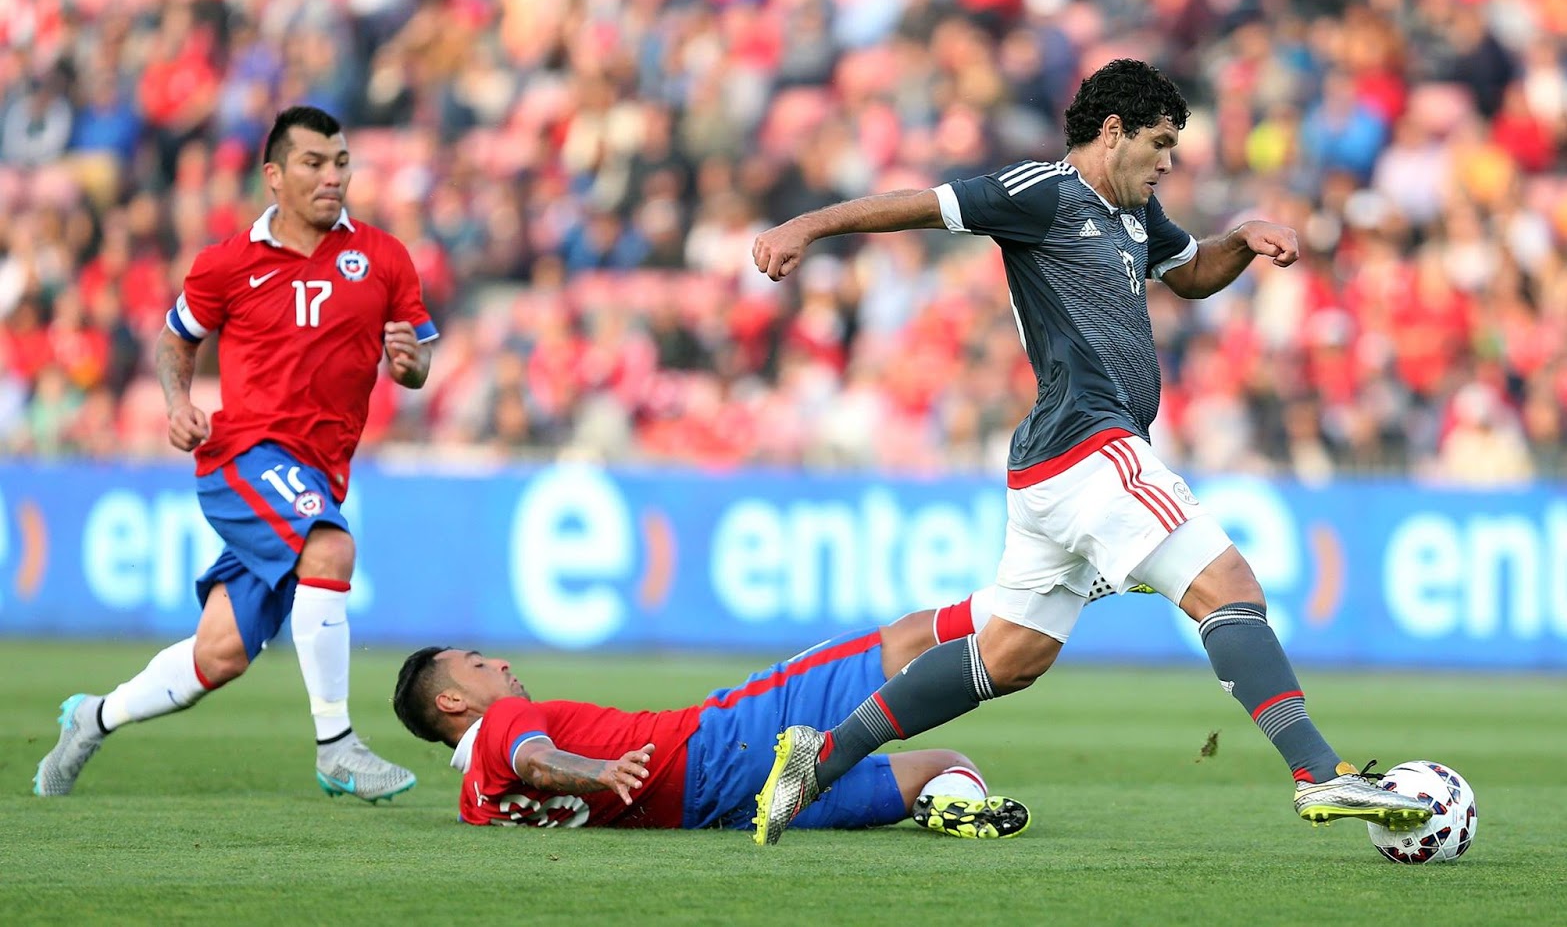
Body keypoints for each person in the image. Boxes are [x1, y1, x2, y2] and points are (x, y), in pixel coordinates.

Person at [746, 59, 1433, 846]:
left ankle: (822, 756)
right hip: (1090, 445)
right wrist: (805, 226)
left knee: (1010, 654)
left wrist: (1242, 240)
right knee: (1230, 586)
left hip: (1054, 467)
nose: (1168, 161)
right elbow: (920, 205)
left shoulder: (1135, 214)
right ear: (1112, 133)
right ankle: (1318, 773)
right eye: (1160, 143)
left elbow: (1192, 273)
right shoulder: (1042, 191)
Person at [34, 106, 438, 803]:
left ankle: (91, 718)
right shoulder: (228, 264)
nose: (333, 176)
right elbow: (176, 338)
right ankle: (338, 747)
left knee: (218, 655)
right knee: (330, 550)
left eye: (341, 162)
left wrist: (410, 364)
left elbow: (419, 359)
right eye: (314, 163)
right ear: (274, 175)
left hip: (317, 474)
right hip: (243, 456)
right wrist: (177, 403)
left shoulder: (384, 256)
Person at [392, 591, 1033, 837]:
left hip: (722, 813)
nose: (499, 664)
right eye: (477, 664)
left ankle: (945, 805)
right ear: (452, 702)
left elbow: (528, 780)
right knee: (892, 643)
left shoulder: (476, 802)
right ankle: (1026, 601)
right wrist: (599, 771)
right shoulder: (503, 723)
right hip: (721, 746)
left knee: (944, 765)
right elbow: (538, 762)